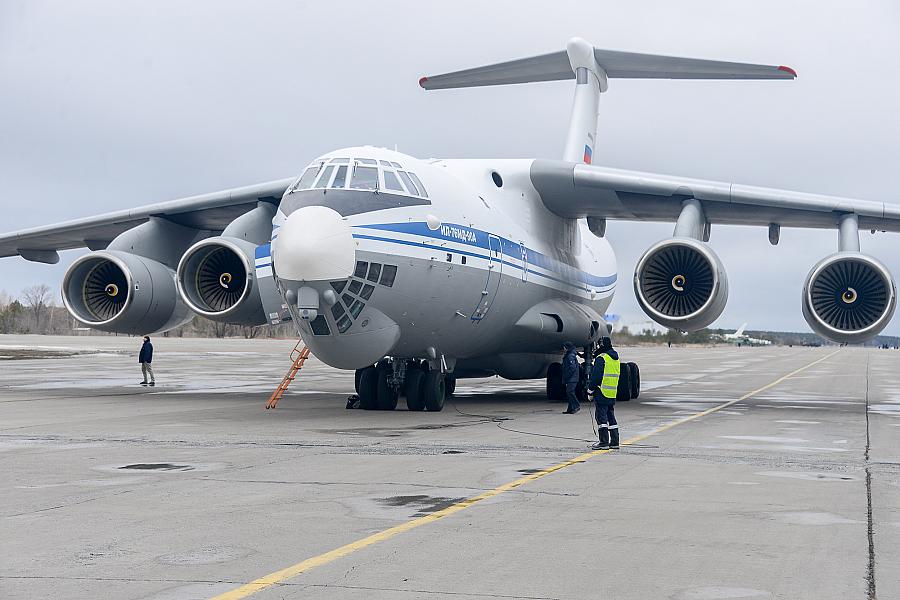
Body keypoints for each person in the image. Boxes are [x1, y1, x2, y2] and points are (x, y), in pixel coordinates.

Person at [588, 337, 620, 449]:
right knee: (611, 417)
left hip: (601, 391)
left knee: (601, 418)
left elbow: (596, 377)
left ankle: (604, 442)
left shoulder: (601, 358)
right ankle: (615, 441)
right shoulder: (615, 358)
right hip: (612, 392)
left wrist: (590, 390)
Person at [561, 341, 580, 414]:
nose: (564, 348)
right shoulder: (570, 355)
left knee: (570, 392)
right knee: (569, 392)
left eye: (565, 347)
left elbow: (572, 368)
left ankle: (576, 405)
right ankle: (570, 409)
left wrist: (568, 375)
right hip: (571, 378)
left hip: (572, 378)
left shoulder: (570, 356)